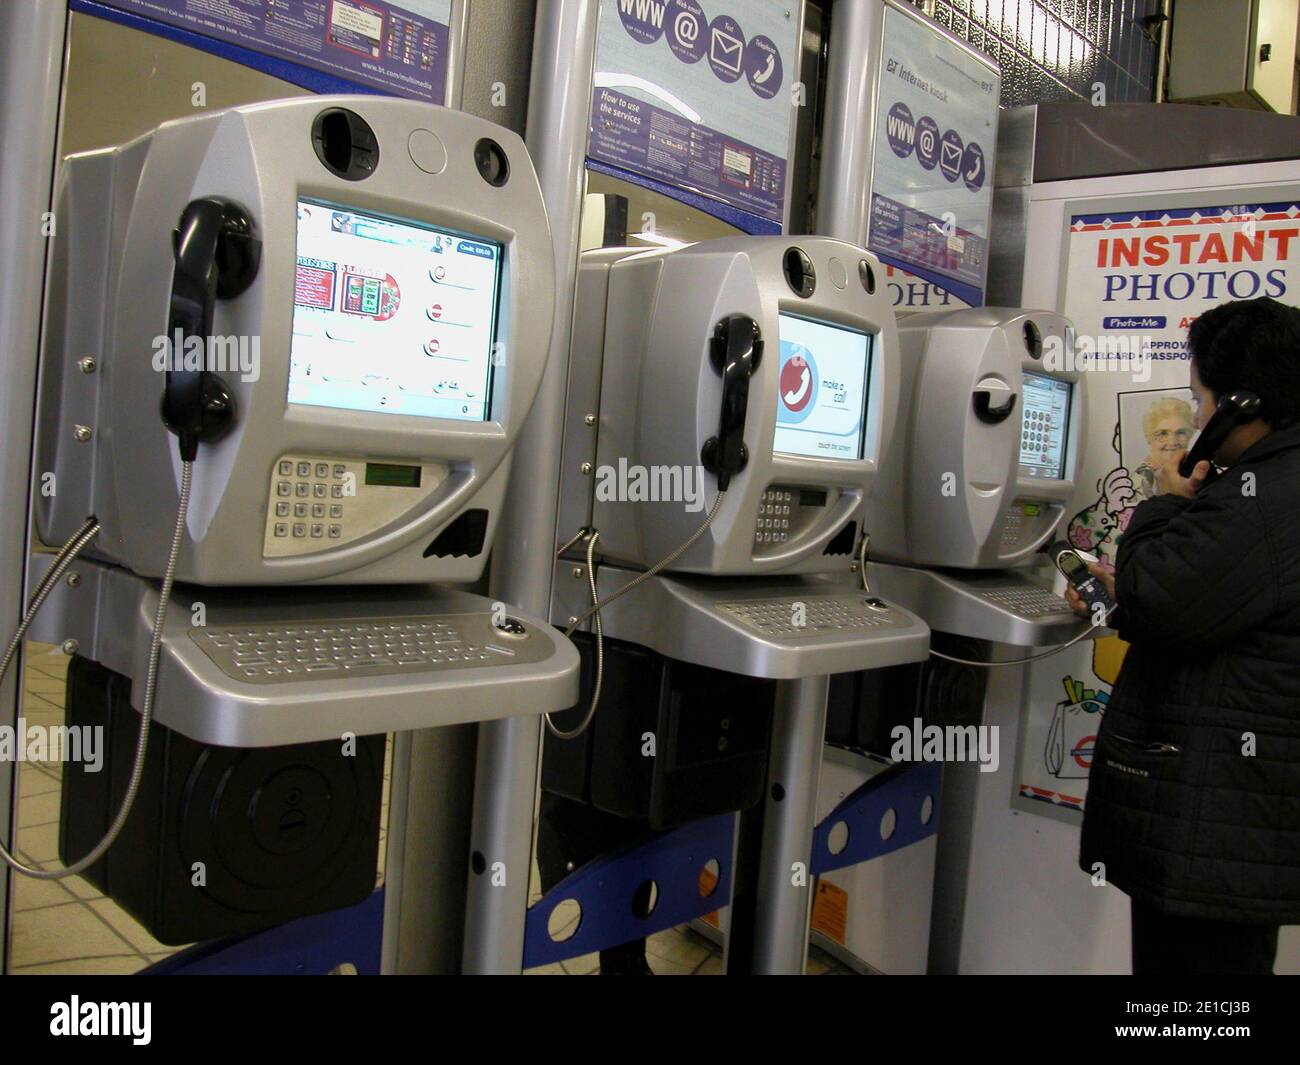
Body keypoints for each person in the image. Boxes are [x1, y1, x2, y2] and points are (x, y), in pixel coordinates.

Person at [1066, 297, 1300, 975]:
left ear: (1239, 404)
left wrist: (1167, 498)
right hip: (1239, 822)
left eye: (1201, 401)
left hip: (1219, 824)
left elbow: (1152, 600)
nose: (1196, 420)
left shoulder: (1266, 497)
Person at [1132, 396, 1195, 502]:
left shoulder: (1194, 473)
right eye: (1163, 433)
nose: (1172, 442)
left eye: (1180, 433)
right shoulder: (1141, 481)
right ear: (1148, 437)